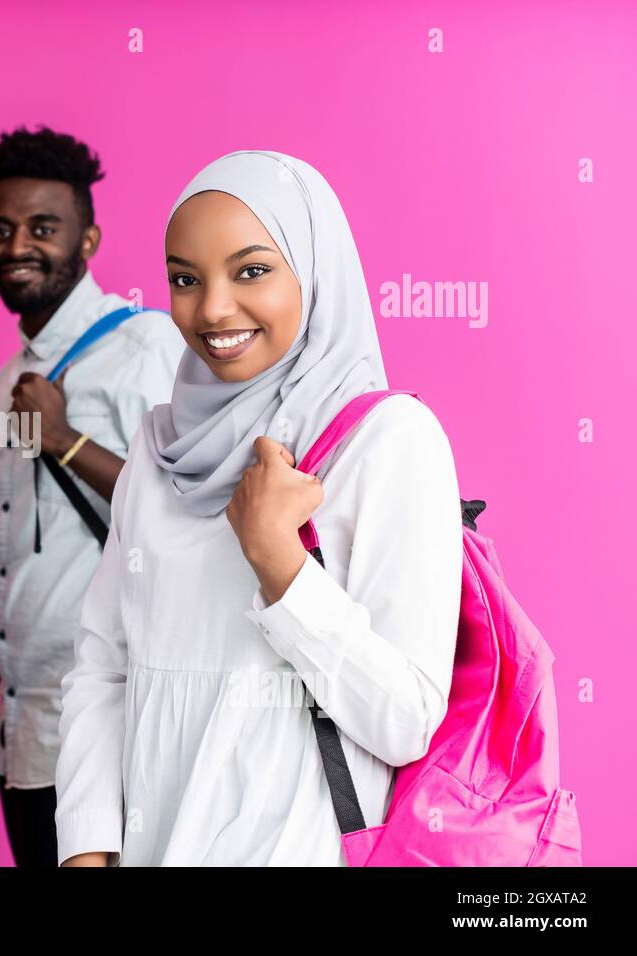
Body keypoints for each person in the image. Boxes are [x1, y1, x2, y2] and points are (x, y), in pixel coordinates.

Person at [54, 150, 465, 866]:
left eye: (251, 270)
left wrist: (280, 563)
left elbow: (405, 719)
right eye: (185, 279)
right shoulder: (157, 454)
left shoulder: (386, 441)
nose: (212, 309)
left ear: (313, 269)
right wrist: (87, 847)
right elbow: (103, 667)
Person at [0, 127, 183, 867]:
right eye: (1, 229)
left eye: (43, 228)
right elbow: (7, 567)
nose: (19, 246)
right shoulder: (5, 377)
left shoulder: (146, 349)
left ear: (88, 239)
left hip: (113, 728)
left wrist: (64, 440)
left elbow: (188, 518)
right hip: (24, 731)